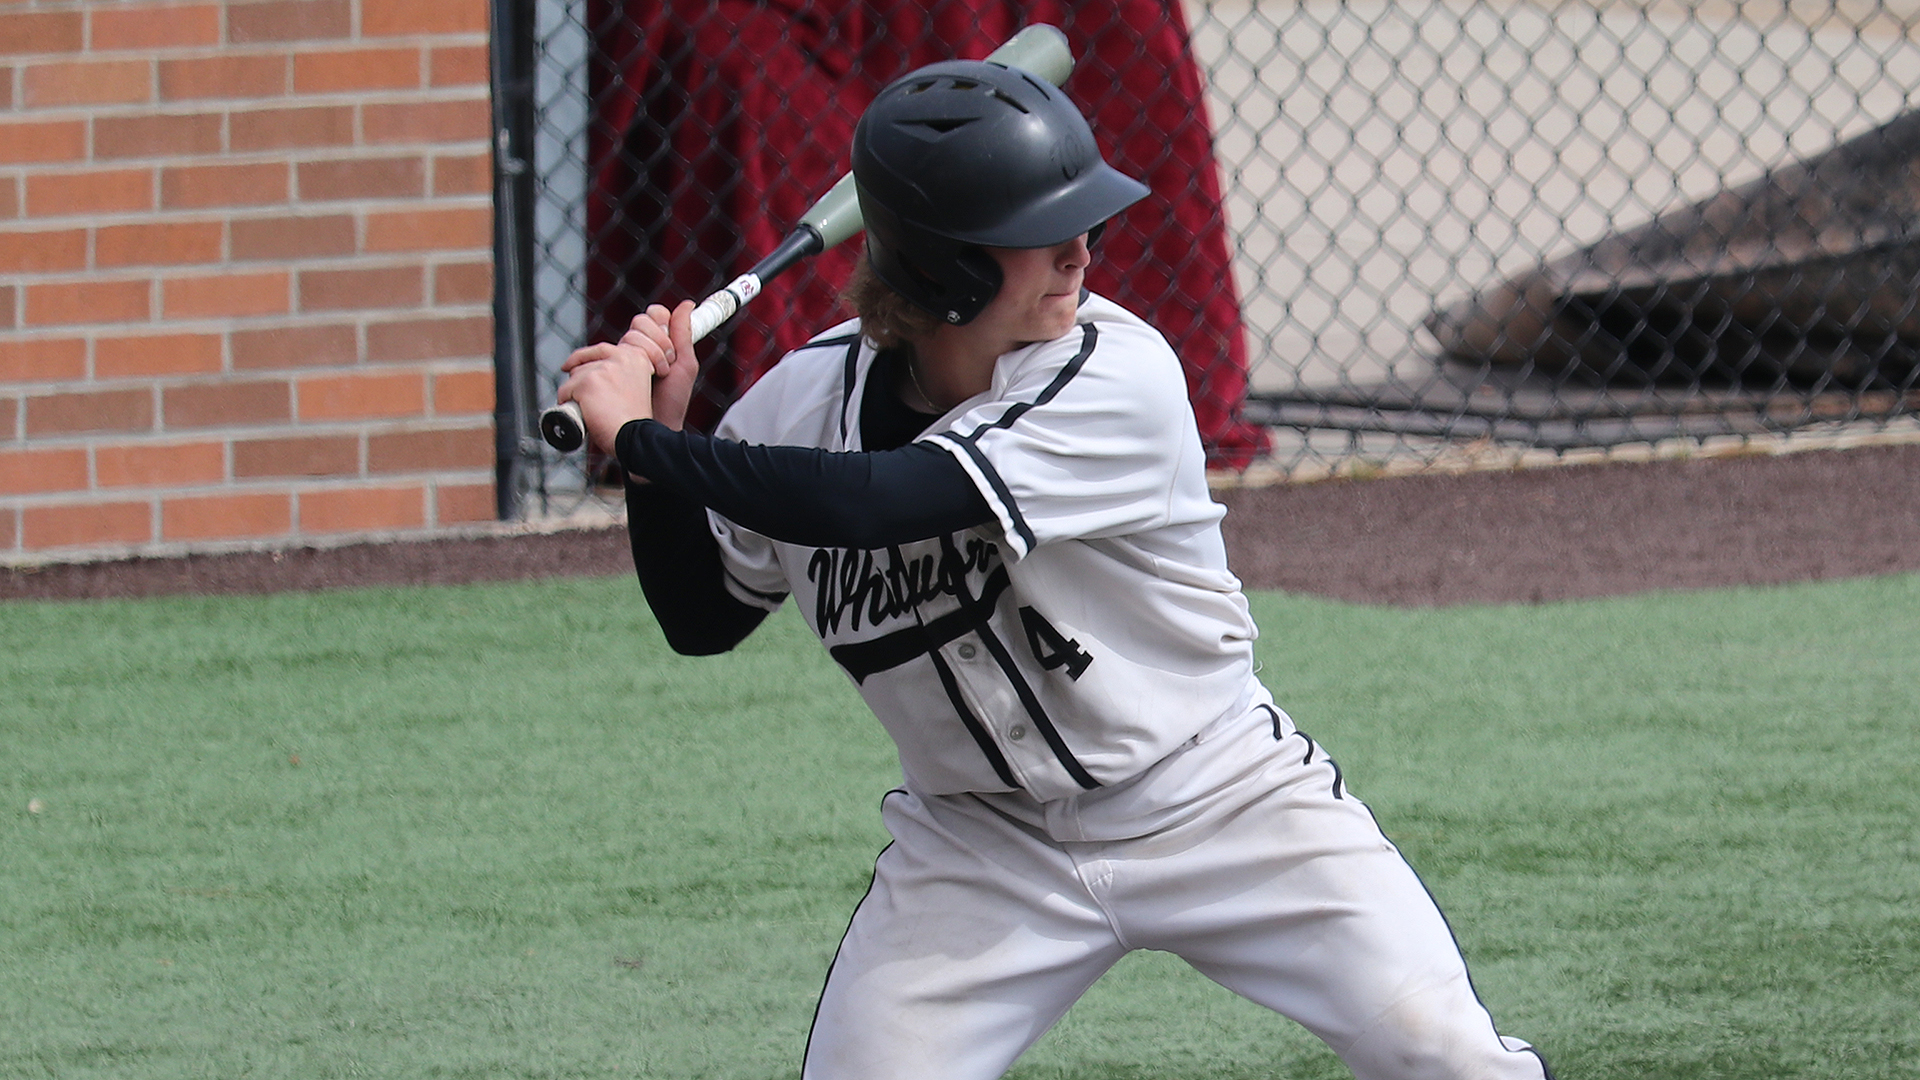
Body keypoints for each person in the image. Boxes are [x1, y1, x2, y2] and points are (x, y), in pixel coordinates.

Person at [558, 59, 1555, 1080]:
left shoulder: (1116, 373)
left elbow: (885, 500)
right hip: (982, 849)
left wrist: (643, 442)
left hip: (1216, 796)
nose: (1083, 246)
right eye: (1044, 225)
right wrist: (660, 454)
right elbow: (702, 614)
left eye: (1086, 217)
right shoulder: (795, 405)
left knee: (1449, 1058)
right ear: (947, 269)